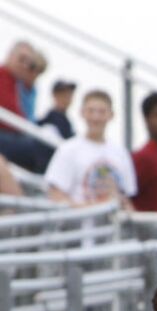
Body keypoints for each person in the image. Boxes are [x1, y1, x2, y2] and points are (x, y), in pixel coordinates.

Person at [44, 89, 135, 206]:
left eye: (101, 112)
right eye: (91, 111)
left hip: (112, 223)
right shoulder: (68, 149)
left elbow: (126, 198)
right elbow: (56, 196)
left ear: (111, 115)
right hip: (80, 223)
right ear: (82, 113)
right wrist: (92, 209)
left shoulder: (121, 153)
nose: (96, 117)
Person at [0, 41, 53, 172]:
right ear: (10, 56)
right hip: (7, 134)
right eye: (21, 59)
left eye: (28, 63)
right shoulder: (4, 77)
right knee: (42, 149)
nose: (24, 66)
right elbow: (11, 117)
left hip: (12, 133)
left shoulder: (15, 83)